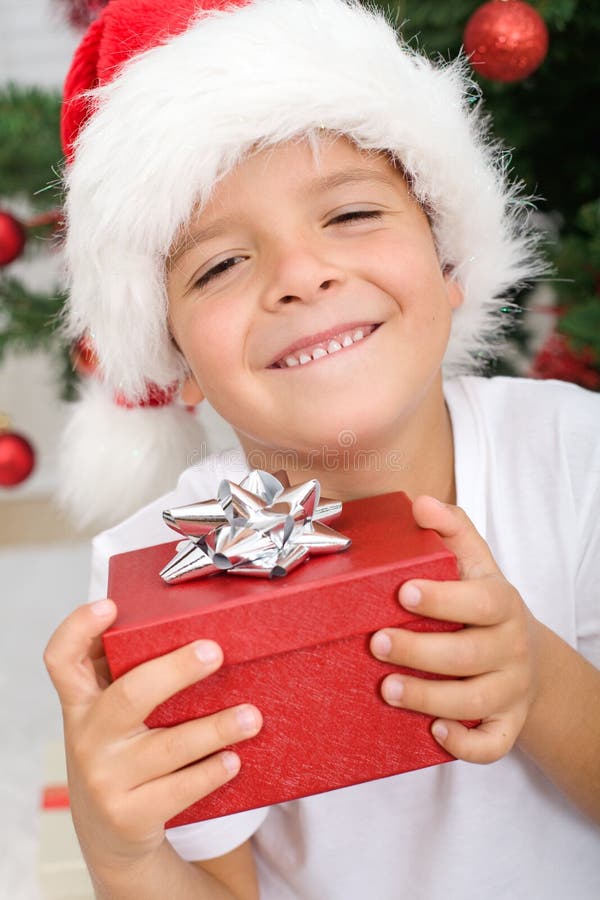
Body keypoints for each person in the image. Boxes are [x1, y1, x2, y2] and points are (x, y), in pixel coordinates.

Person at [44, 1, 600, 898]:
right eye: (219, 265)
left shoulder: (574, 460)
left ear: (448, 258)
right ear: (176, 361)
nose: (302, 276)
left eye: (348, 214)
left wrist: (535, 678)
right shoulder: (159, 571)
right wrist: (126, 854)